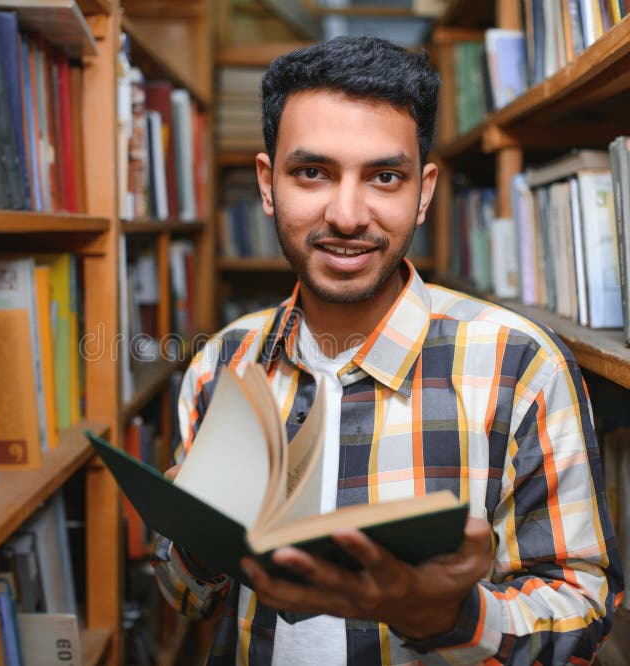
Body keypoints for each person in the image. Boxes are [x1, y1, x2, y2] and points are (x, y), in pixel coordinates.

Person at [151, 36, 623, 664]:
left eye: (385, 177)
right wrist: (196, 542)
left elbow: (585, 614)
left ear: (424, 192)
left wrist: (444, 614)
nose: (347, 215)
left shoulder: (521, 364)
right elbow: (186, 597)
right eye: (312, 172)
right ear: (268, 184)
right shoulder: (222, 363)